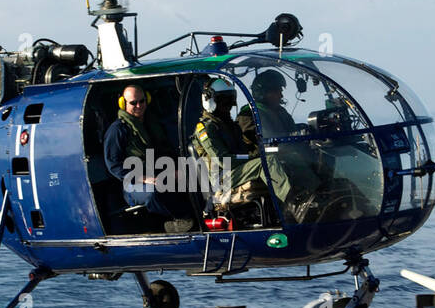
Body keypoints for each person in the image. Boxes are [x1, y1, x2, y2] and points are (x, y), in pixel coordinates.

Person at [104, 84, 195, 233]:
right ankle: (171, 224)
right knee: (156, 190)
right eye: (133, 103)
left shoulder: (152, 124)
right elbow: (114, 166)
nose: (139, 106)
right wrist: (145, 178)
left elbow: (165, 150)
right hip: (134, 184)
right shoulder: (117, 130)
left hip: (158, 173)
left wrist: (177, 170)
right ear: (123, 103)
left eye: (142, 101)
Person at [236, 69, 323, 216]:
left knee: (319, 152)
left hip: (286, 154)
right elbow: (258, 141)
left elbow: (292, 131)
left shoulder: (280, 111)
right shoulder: (249, 114)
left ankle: (323, 193)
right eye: (276, 91)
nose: (281, 95)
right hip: (264, 159)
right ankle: (296, 204)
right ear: (262, 93)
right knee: (294, 159)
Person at [190, 78, 269, 214]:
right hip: (223, 178)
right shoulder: (205, 128)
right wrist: (254, 157)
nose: (229, 106)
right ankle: (294, 204)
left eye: (230, 100)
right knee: (266, 163)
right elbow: (223, 160)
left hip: (238, 171)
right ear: (209, 99)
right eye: (224, 101)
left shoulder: (231, 126)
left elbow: (244, 151)